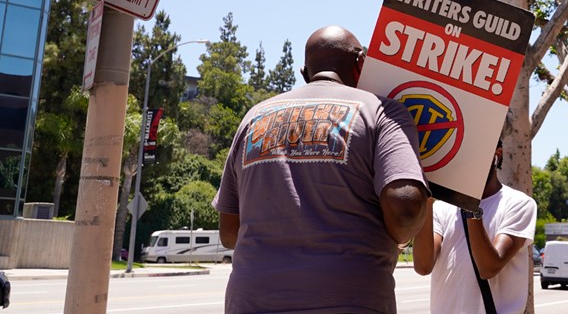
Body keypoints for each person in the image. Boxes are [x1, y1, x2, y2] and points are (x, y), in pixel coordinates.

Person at [213, 26, 429, 314]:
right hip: (350, 299)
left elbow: (229, 233)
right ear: (361, 63)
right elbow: (406, 207)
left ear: (305, 73)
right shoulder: (381, 112)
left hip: (251, 302)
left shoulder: (255, 117)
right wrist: (398, 240)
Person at [412, 139, 538, 314]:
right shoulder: (440, 207)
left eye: (477, 153)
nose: (469, 161)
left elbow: (488, 267)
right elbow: (423, 266)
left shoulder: (519, 204)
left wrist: (470, 204)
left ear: (497, 155)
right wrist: (426, 200)